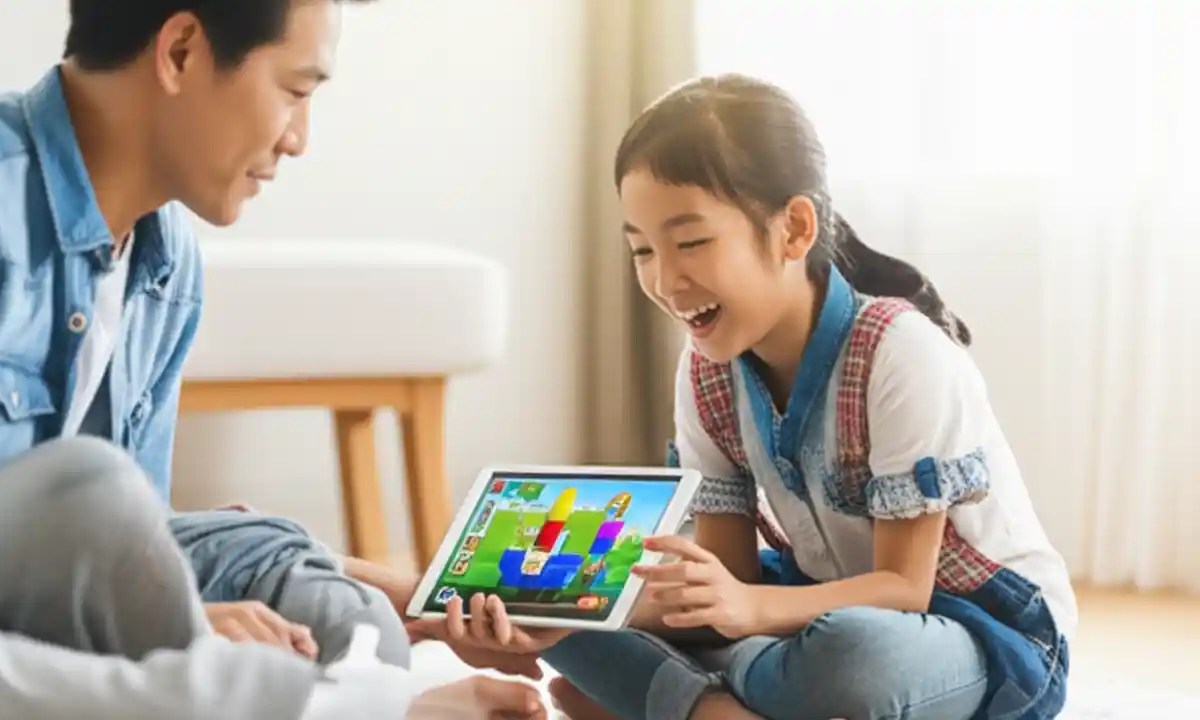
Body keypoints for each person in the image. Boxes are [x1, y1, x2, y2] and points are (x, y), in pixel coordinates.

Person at [0, 1, 543, 717]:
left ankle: (319, 691)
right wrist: (182, 630)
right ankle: (347, 705)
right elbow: (97, 527)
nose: (299, 139)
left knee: (329, 603)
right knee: (98, 493)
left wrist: (411, 598)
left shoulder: (168, 264)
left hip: (52, 588)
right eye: (295, 90)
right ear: (181, 51)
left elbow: (139, 547)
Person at [449, 74, 1078, 720]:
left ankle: (681, 697)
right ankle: (713, 705)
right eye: (642, 250)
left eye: (690, 243)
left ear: (794, 229)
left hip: (977, 631)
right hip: (810, 601)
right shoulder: (708, 370)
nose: (664, 280)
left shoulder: (899, 351)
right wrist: (572, 614)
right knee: (567, 604)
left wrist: (747, 611)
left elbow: (903, 591)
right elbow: (733, 578)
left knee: (853, 657)